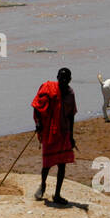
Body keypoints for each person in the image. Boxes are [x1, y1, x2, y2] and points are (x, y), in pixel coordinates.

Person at [31, 67, 77, 204]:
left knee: (62, 165)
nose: (63, 80)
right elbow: (37, 105)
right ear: (57, 77)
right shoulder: (48, 89)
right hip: (49, 132)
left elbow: (71, 116)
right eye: (61, 77)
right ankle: (43, 184)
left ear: (70, 80)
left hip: (63, 133)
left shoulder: (70, 94)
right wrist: (38, 123)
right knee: (47, 164)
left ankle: (57, 194)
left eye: (66, 78)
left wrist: (71, 135)